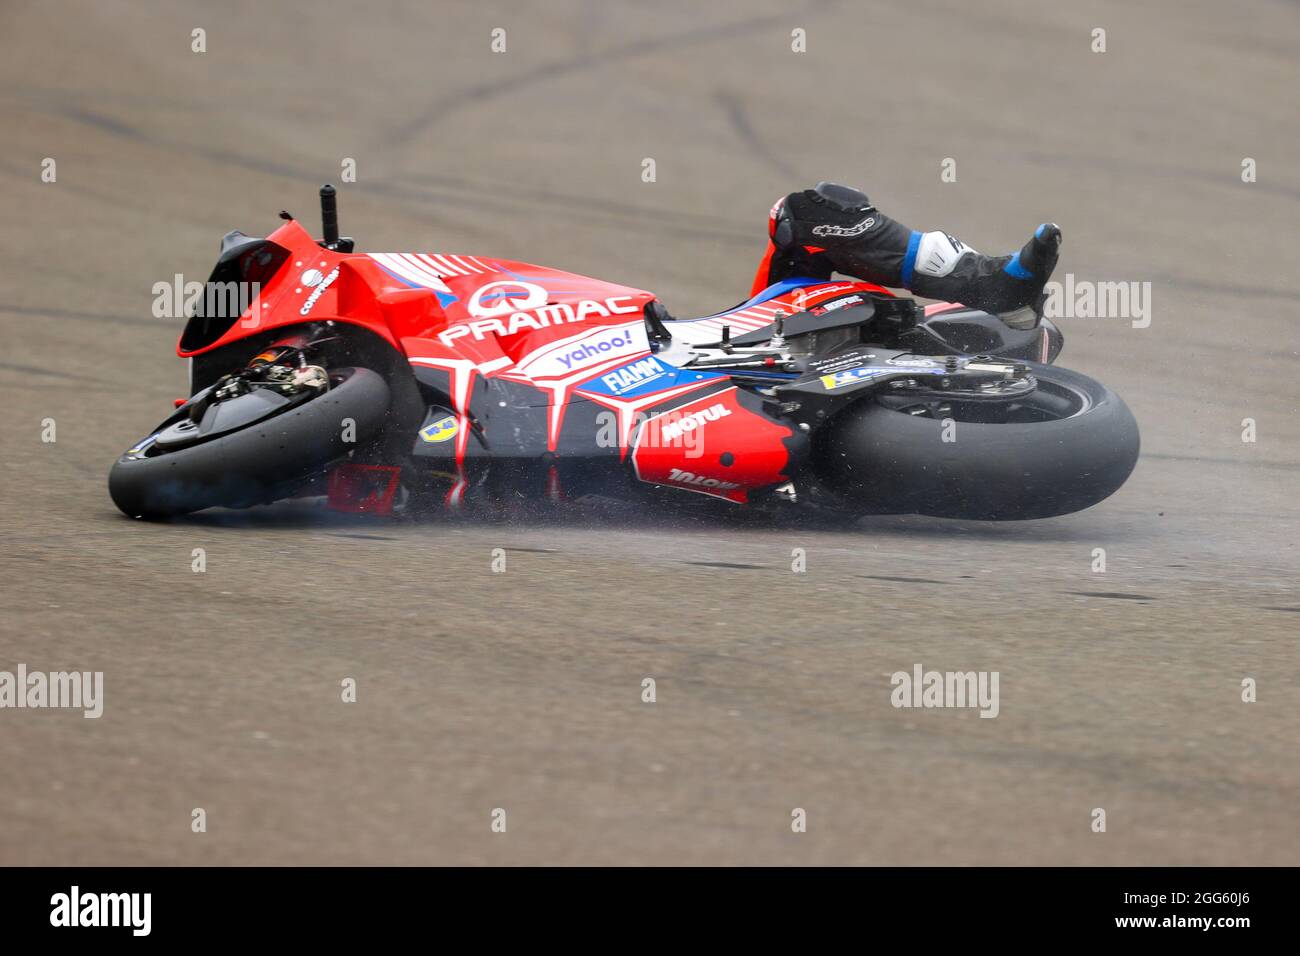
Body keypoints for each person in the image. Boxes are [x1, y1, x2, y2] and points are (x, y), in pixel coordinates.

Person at [751, 181, 1061, 316]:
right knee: (798, 212)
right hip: (726, 366)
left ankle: (992, 288)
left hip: (777, 330)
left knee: (808, 212)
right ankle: (992, 287)